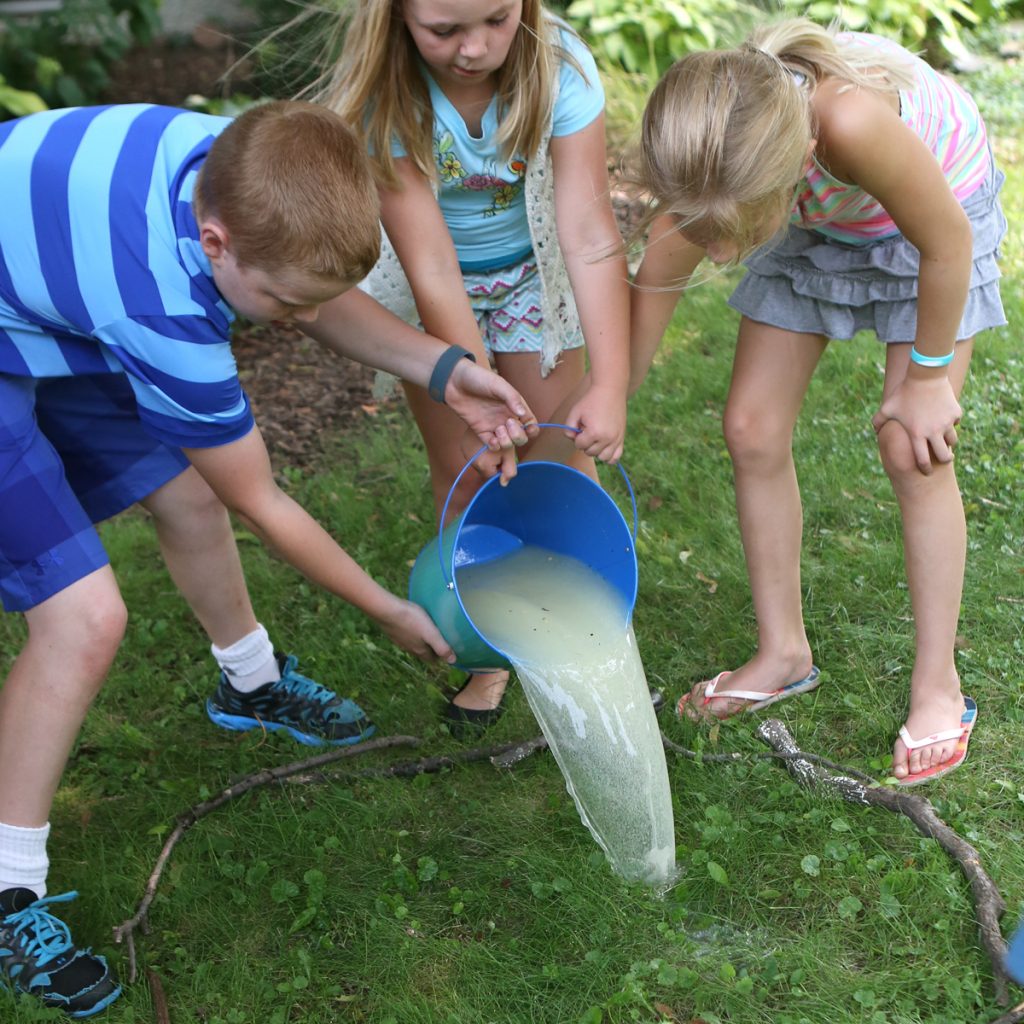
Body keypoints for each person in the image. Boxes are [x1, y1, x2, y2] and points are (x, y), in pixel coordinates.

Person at [0, 99, 537, 1017]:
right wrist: (388, 610)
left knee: (189, 488)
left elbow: (315, 295)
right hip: (48, 296)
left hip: (44, 282)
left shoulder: (248, 168)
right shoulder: (163, 305)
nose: (298, 316)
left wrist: (449, 371)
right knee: (84, 617)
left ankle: (247, 683)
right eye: (283, 302)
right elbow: (265, 500)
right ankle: (8, 884)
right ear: (215, 244)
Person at [628, 19, 1005, 786]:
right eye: (711, 232)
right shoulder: (716, 155)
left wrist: (927, 382)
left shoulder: (853, 123)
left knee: (913, 449)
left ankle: (939, 688)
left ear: (800, 160)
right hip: (804, 210)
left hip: (930, 224)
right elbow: (657, 276)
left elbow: (948, 244)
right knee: (751, 427)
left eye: (731, 234)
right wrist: (610, 399)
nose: (723, 255)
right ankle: (783, 654)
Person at [318, 0, 631, 732]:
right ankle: (485, 637)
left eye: (496, 19)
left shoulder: (559, 66)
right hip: (430, 290)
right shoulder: (386, 90)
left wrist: (610, 380)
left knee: (553, 455)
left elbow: (587, 230)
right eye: (445, 30)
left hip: (531, 278)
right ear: (396, 17)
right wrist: (472, 387)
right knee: (468, 463)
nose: (475, 48)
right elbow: (430, 264)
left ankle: (575, 629)